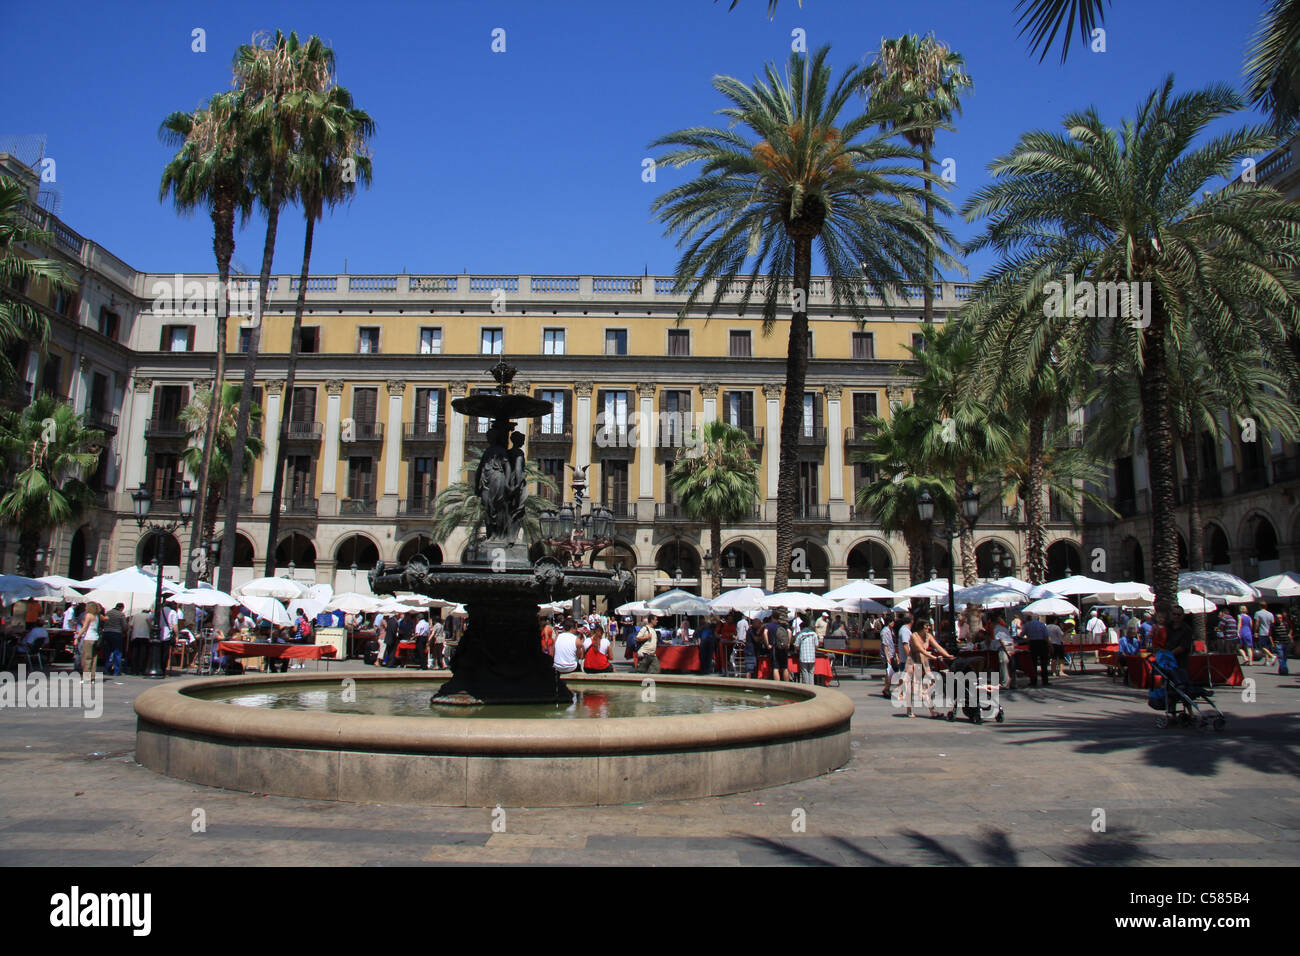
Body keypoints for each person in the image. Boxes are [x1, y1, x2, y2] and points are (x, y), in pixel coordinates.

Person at [763, 609, 792, 682]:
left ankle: (778, 685)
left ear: (772, 617)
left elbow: (765, 633)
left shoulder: (769, 625)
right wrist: (788, 643)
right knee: (785, 667)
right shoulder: (784, 625)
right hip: (784, 648)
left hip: (774, 648)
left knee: (775, 668)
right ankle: (787, 684)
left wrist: (767, 644)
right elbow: (789, 632)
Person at [75, 602, 101, 683]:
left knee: (86, 659)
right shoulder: (97, 616)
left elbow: (84, 628)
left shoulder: (88, 615)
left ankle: (86, 678)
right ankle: (92, 677)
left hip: (88, 638)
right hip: (95, 638)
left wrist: (77, 637)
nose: (85, 608)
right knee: (94, 659)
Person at [1023, 612, 1050, 687]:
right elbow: (1046, 636)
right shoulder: (1042, 625)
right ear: (1038, 618)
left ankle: (1033, 681)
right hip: (1042, 643)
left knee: (1033, 663)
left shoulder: (1027, 625)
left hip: (1032, 643)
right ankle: (1045, 681)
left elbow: (1022, 634)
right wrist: (1049, 645)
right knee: (1044, 663)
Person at [101, 602, 126, 677]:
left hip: (106, 633)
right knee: (117, 652)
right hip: (116, 633)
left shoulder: (108, 612)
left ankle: (107, 669)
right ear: (122, 608)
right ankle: (116, 671)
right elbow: (124, 626)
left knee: (107, 652)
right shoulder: (121, 614)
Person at [795, 615, 820, 685]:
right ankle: (812, 686)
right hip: (812, 656)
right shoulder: (814, 634)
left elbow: (796, 646)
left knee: (804, 672)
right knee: (811, 672)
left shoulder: (800, 634)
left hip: (803, 656)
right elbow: (817, 646)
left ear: (801, 627)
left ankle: (806, 686)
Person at [879, 616, 898, 699]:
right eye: (891, 621)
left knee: (892, 673)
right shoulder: (885, 631)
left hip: (892, 653)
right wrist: (887, 657)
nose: (893, 623)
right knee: (889, 673)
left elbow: (892, 644)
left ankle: (887, 688)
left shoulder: (891, 631)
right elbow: (885, 645)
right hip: (887, 655)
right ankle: (886, 689)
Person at [1274, 608, 1291, 676]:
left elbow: (1288, 632)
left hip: (1286, 642)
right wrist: (1273, 643)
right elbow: (1271, 635)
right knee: (1281, 656)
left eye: (1280, 618)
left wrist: (1289, 638)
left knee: (1285, 657)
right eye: (1278, 618)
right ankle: (1285, 670)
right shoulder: (1273, 625)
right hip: (1278, 643)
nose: (1279, 619)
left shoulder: (1285, 624)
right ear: (1276, 618)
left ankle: (1281, 669)